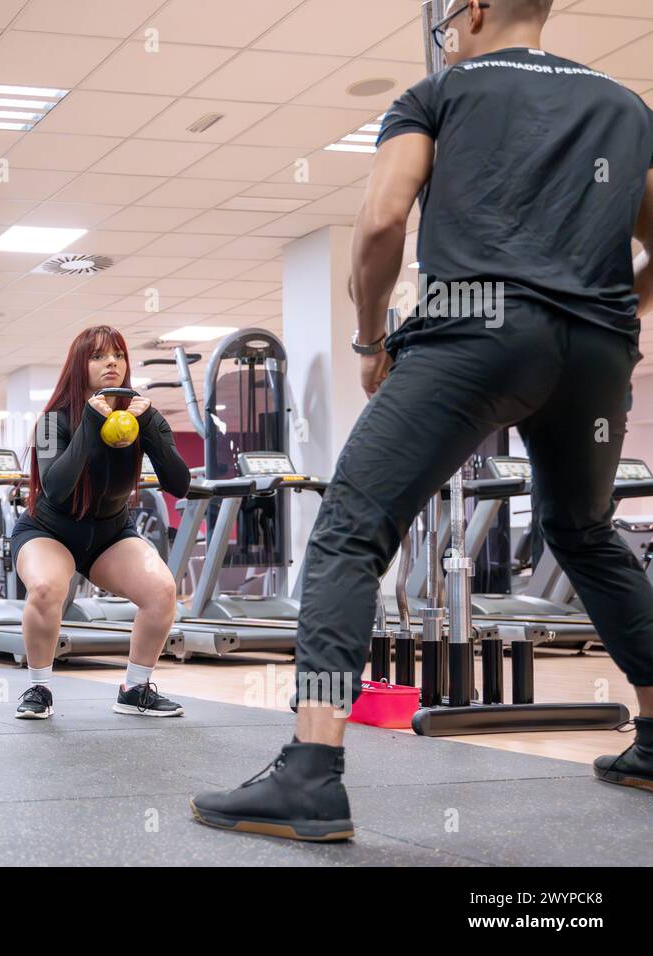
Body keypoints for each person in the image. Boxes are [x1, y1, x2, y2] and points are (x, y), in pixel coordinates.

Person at [192, 0, 653, 842]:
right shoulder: (626, 107)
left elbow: (378, 225)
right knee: (584, 532)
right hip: (596, 355)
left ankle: (310, 769)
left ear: (472, 11)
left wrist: (370, 338)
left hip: (477, 329)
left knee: (350, 526)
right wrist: (613, 321)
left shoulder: (438, 93)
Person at [12, 325, 192, 719]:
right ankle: (38, 688)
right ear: (80, 365)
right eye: (97, 356)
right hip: (48, 531)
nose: (110, 362)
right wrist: (92, 425)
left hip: (110, 533)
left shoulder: (145, 415)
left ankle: (135, 688)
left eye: (117, 355)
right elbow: (57, 489)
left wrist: (151, 434)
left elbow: (179, 485)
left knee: (162, 589)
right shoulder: (51, 422)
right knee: (44, 588)